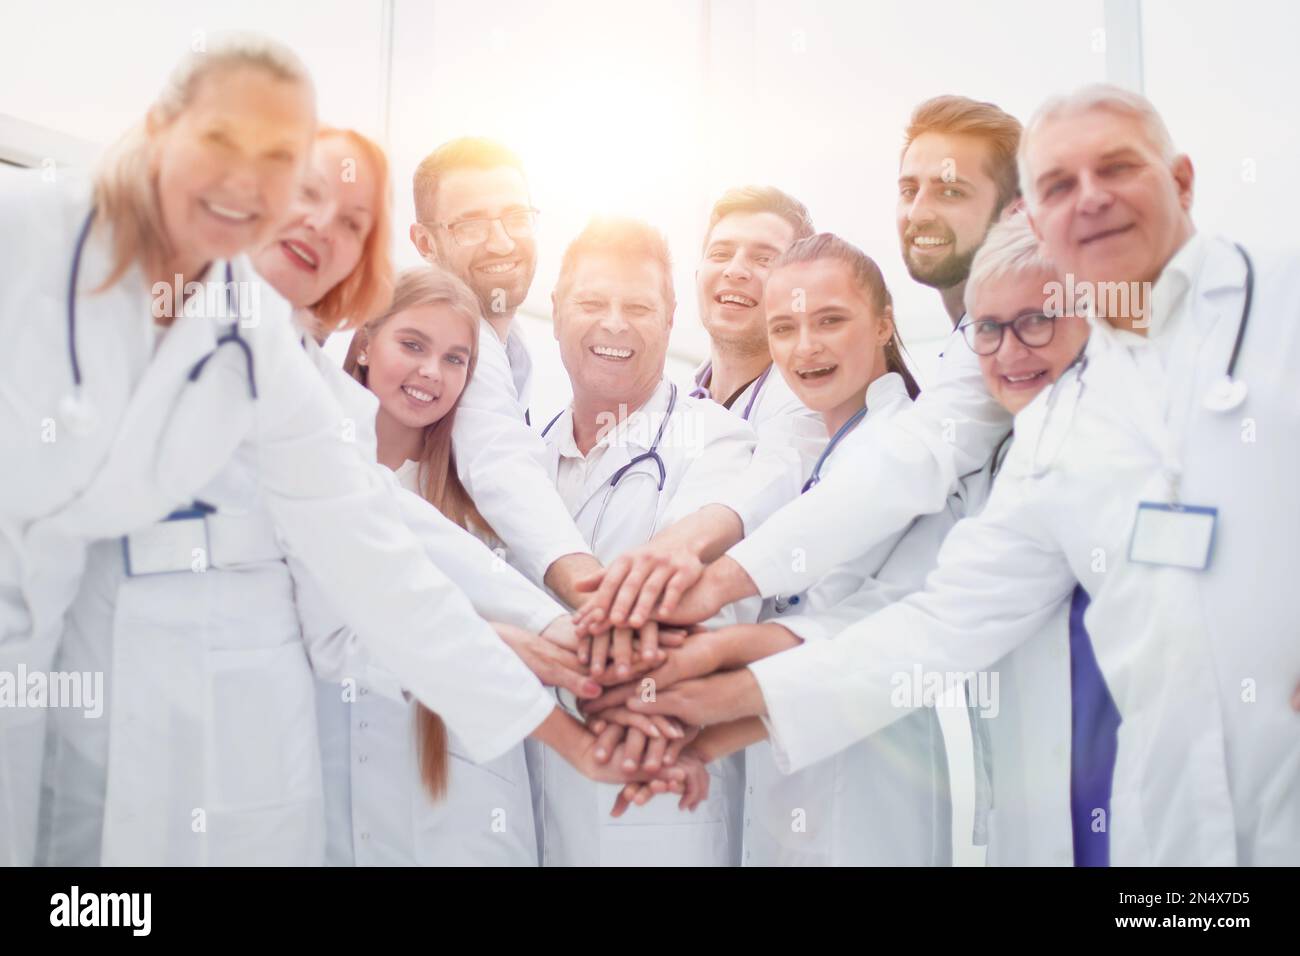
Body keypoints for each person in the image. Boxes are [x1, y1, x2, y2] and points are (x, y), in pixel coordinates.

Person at [1, 35, 653, 867]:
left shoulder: (257, 344)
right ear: (163, 126)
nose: (251, 184)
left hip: (153, 696)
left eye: (347, 219)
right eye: (227, 143)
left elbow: (378, 548)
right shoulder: (27, 230)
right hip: (69, 657)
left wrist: (564, 712)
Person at [624, 85, 1300, 867]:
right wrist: (720, 704)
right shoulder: (1059, 417)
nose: (1090, 200)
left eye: (1117, 167)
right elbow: (943, 623)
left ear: (1181, 181)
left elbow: (904, 480)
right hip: (1165, 845)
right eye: (1058, 185)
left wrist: (712, 598)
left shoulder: (1280, 306)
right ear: (1036, 217)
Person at [573, 96, 1023, 638]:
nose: (737, 272)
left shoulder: (983, 355)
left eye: (763, 259)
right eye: (909, 190)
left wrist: (702, 586)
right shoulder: (730, 415)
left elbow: (887, 479)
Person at [593, 234, 958, 866]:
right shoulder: (803, 444)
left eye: (830, 321)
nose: (805, 348)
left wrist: (672, 670)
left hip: (873, 794)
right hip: (781, 784)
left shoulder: (908, 450)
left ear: (883, 323)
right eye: (783, 327)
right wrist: (695, 744)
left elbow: (855, 636)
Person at [532, 217, 755, 866]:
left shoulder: (718, 441)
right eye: (592, 303)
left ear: (668, 319)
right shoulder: (525, 458)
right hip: (537, 793)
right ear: (554, 310)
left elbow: (680, 623)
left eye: (637, 307)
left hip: (658, 804)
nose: (614, 325)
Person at [409, 138, 600, 608]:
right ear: (425, 243)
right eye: (472, 224)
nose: (501, 241)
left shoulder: (511, 354)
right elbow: (498, 459)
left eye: (516, 217)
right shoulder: (442, 334)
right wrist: (591, 587)